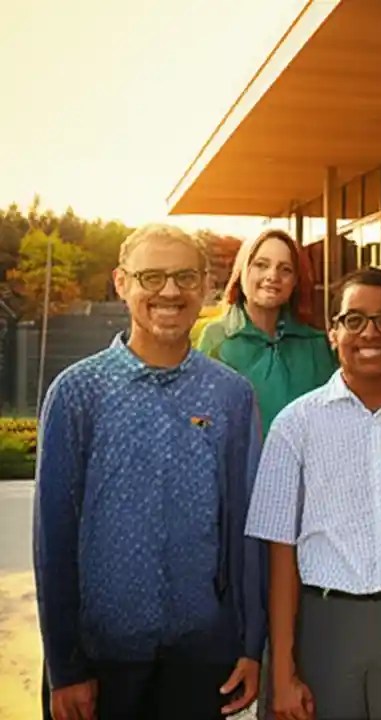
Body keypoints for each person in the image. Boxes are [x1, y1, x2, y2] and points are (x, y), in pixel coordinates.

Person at [34, 223, 266, 720]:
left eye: (185, 277)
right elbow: (53, 539)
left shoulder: (231, 395)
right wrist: (65, 667)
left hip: (200, 659)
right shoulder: (78, 393)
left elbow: (245, 527)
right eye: (152, 276)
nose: (169, 291)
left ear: (205, 284)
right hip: (101, 663)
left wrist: (251, 644)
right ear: (122, 283)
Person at [245, 268, 381, 720]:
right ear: (333, 333)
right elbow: (280, 554)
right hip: (324, 621)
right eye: (354, 320)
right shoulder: (295, 425)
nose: (370, 333)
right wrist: (284, 671)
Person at [197, 228, 335, 432]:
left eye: (285, 269)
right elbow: (201, 421)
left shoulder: (316, 344)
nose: (273, 276)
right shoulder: (216, 339)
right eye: (261, 265)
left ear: (295, 281)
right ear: (242, 270)